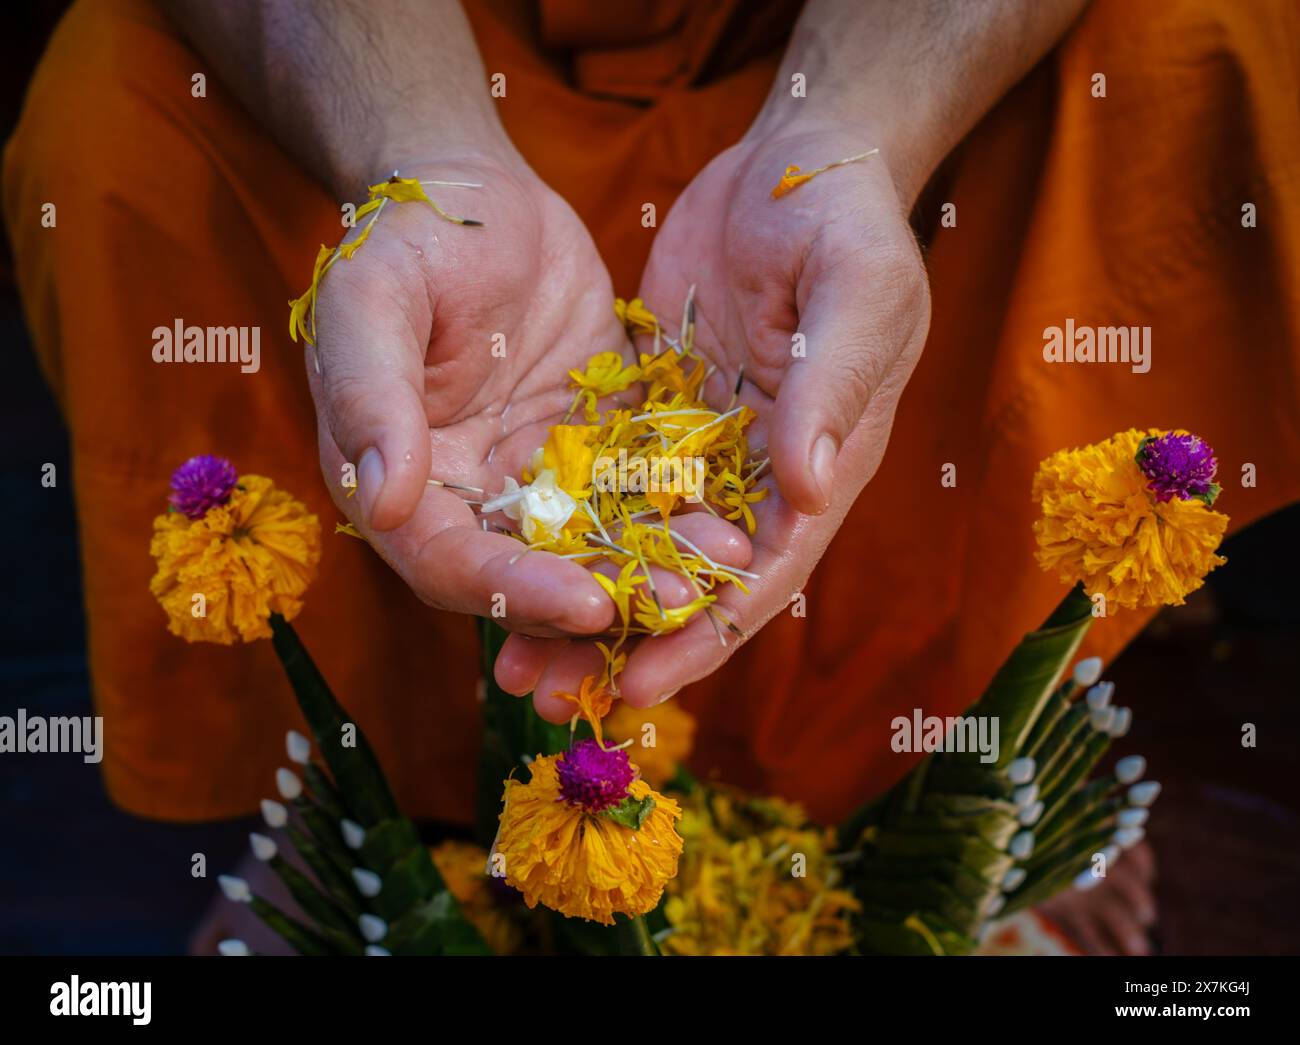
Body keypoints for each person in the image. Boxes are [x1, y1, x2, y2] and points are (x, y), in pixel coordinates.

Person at [7, 0, 1298, 955]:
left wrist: (848, 139)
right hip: (429, 56)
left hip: (867, 49)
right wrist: (426, 161)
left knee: (1217, 45)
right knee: (114, 105)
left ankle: (965, 780)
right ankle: (377, 804)